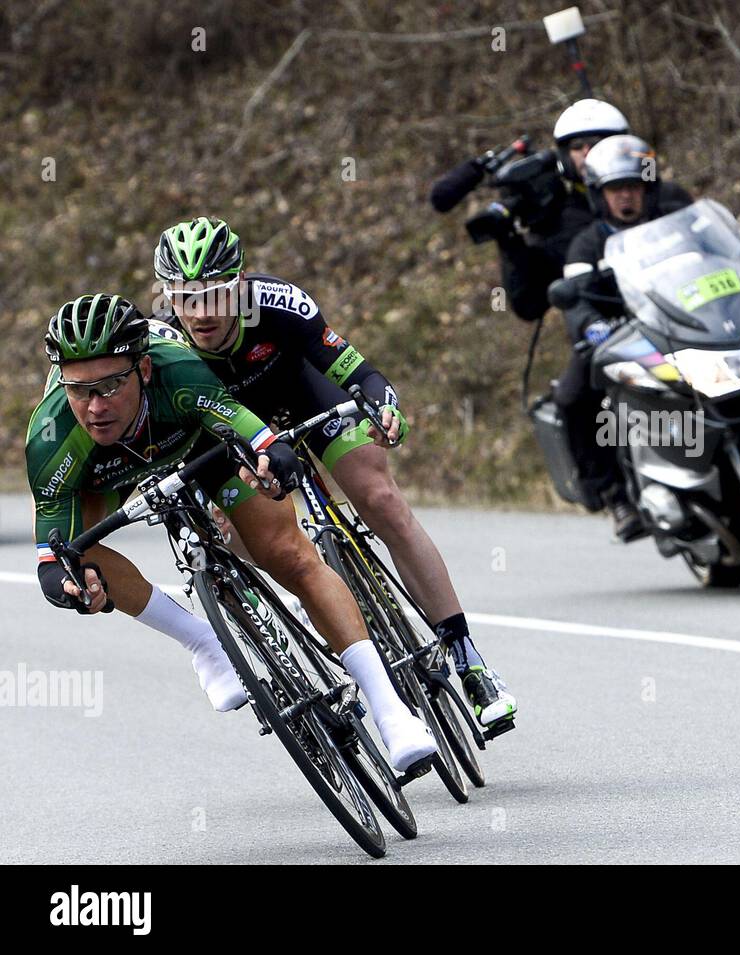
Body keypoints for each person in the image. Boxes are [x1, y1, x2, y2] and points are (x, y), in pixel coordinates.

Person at [28, 293, 439, 769]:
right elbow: (51, 558)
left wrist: (272, 460)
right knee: (81, 555)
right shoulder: (52, 437)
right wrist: (70, 587)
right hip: (107, 471)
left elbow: (252, 432)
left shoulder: (178, 371)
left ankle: (390, 710)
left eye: (110, 385)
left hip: (199, 443)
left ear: (142, 370)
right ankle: (201, 639)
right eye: (79, 389)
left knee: (291, 555)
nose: (94, 406)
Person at [150, 217, 517, 730]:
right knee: (228, 525)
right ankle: (298, 608)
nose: (201, 310)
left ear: (238, 285)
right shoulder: (165, 347)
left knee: (380, 498)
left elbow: (353, 370)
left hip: (303, 400)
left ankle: (468, 660)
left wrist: (384, 405)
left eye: (214, 293)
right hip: (233, 432)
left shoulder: (278, 304)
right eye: (186, 296)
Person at [559, 134, 693, 538]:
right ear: (601, 195)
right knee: (571, 396)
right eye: (616, 189)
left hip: (684, 323)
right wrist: (591, 326)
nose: (626, 197)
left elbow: (718, 253)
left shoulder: (674, 221)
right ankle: (613, 494)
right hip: (621, 337)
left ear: (647, 189)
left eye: (633, 186)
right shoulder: (587, 243)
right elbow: (575, 301)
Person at [430, 98, 630, 323]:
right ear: (564, 155)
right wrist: (509, 241)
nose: (586, 152)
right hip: (609, 337)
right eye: (577, 146)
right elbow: (528, 305)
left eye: (596, 142)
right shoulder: (560, 220)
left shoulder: (658, 196)